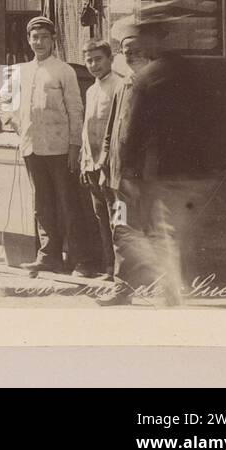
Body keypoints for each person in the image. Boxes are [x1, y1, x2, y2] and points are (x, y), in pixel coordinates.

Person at [100, 5, 217, 306]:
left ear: (150, 46)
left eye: (137, 48)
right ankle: (128, 286)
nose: (131, 55)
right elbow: (113, 130)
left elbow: (136, 131)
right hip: (125, 178)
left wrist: (129, 172)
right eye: (126, 50)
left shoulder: (150, 79)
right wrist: (105, 164)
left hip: (147, 177)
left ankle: (168, 289)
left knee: (157, 233)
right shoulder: (121, 85)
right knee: (125, 229)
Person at [0, 15, 86, 275]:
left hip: (59, 149)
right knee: (42, 205)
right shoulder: (21, 71)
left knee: (68, 203)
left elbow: (75, 110)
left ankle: (78, 259)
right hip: (31, 147)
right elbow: (1, 100)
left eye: (44, 37)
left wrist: (74, 147)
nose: (39, 42)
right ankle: (49, 256)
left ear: (53, 40)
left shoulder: (63, 70)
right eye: (35, 37)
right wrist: (13, 121)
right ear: (28, 39)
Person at [79, 37, 128, 281]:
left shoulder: (120, 86)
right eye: (89, 61)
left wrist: (106, 163)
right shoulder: (90, 90)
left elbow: (115, 130)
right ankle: (109, 268)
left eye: (98, 59)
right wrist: (85, 159)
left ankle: (123, 272)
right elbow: (88, 127)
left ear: (110, 59)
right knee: (101, 220)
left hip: (111, 167)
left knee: (118, 219)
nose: (94, 65)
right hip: (91, 166)